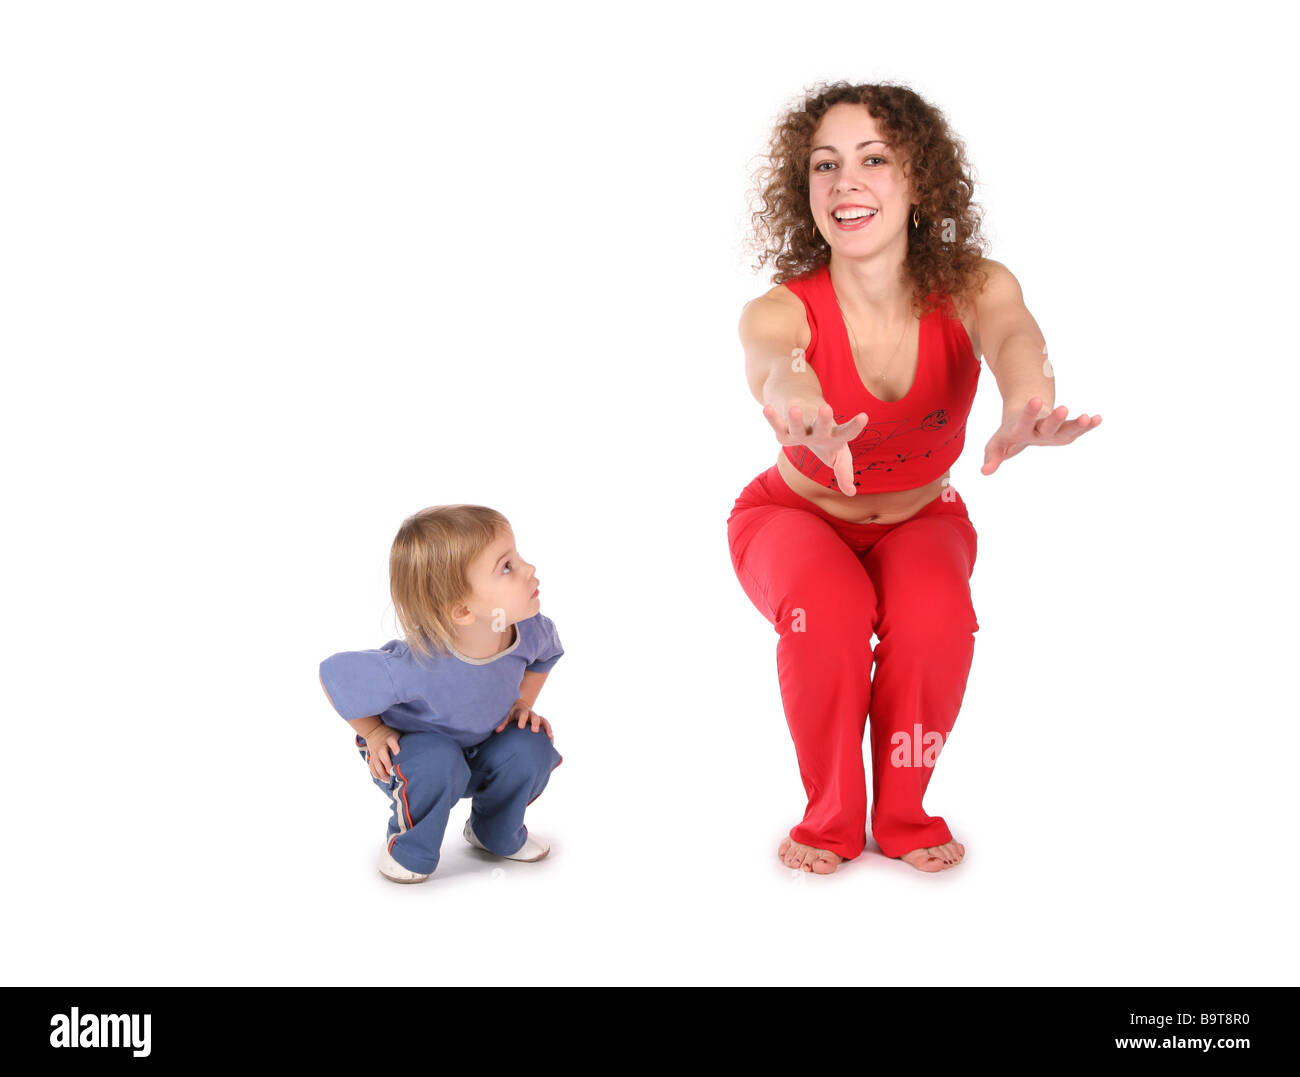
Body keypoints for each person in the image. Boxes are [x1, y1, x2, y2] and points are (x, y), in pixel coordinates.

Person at [729, 81, 1101, 875]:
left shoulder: (974, 286)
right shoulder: (778, 309)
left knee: (936, 617)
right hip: (792, 516)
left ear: (921, 181)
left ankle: (903, 811)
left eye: (874, 159)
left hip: (921, 516)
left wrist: (1027, 402)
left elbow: (1014, 339)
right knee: (830, 609)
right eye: (825, 165)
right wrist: (796, 403)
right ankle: (830, 817)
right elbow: (775, 366)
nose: (844, 182)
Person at [319, 505, 564, 884]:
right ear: (463, 610)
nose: (529, 569)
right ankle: (410, 848)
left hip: (483, 745)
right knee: (436, 760)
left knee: (532, 745)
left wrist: (521, 703)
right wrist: (374, 733)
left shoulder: (528, 629)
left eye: (517, 557)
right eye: (506, 567)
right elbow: (332, 675)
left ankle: (494, 831)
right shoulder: (416, 663)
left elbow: (545, 656)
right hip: (415, 755)